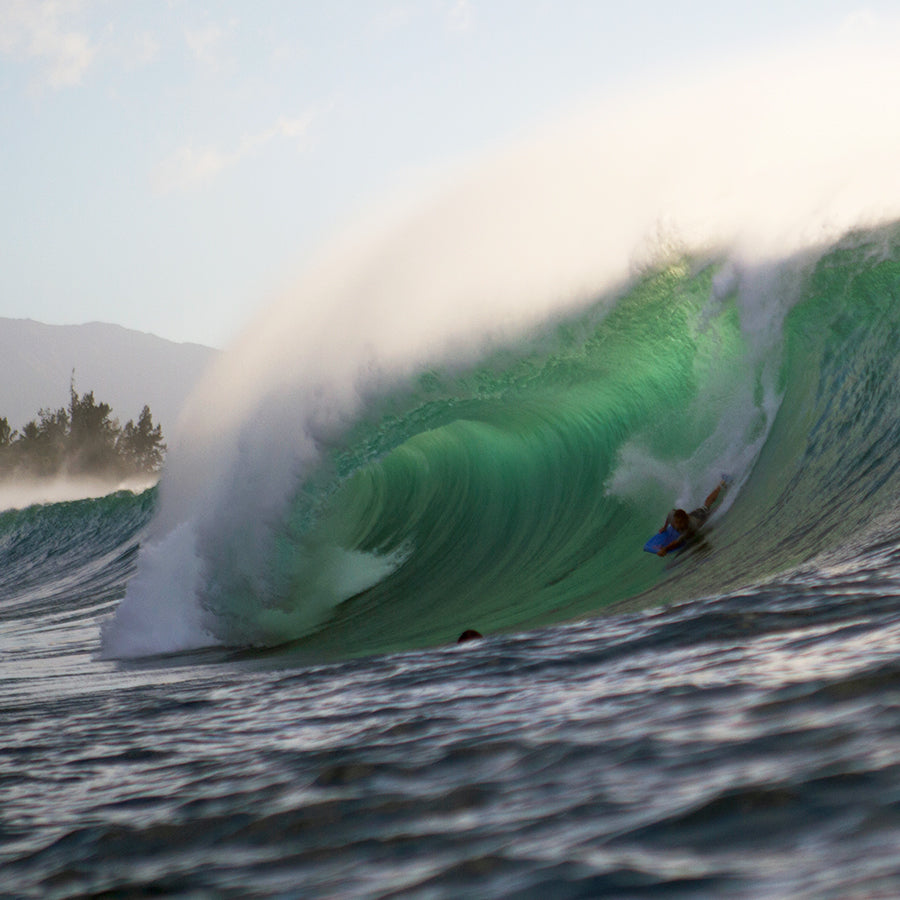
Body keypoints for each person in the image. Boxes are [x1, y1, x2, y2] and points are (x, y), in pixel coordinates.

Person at [656, 479, 727, 557]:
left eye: (680, 523)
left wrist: (665, 549)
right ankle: (720, 487)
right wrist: (665, 527)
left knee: (708, 508)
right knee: (705, 506)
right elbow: (670, 514)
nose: (678, 525)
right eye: (677, 522)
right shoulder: (673, 518)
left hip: (700, 518)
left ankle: (721, 488)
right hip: (692, 515)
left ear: (685, 521)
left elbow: (677, 542)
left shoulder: (689, 528)